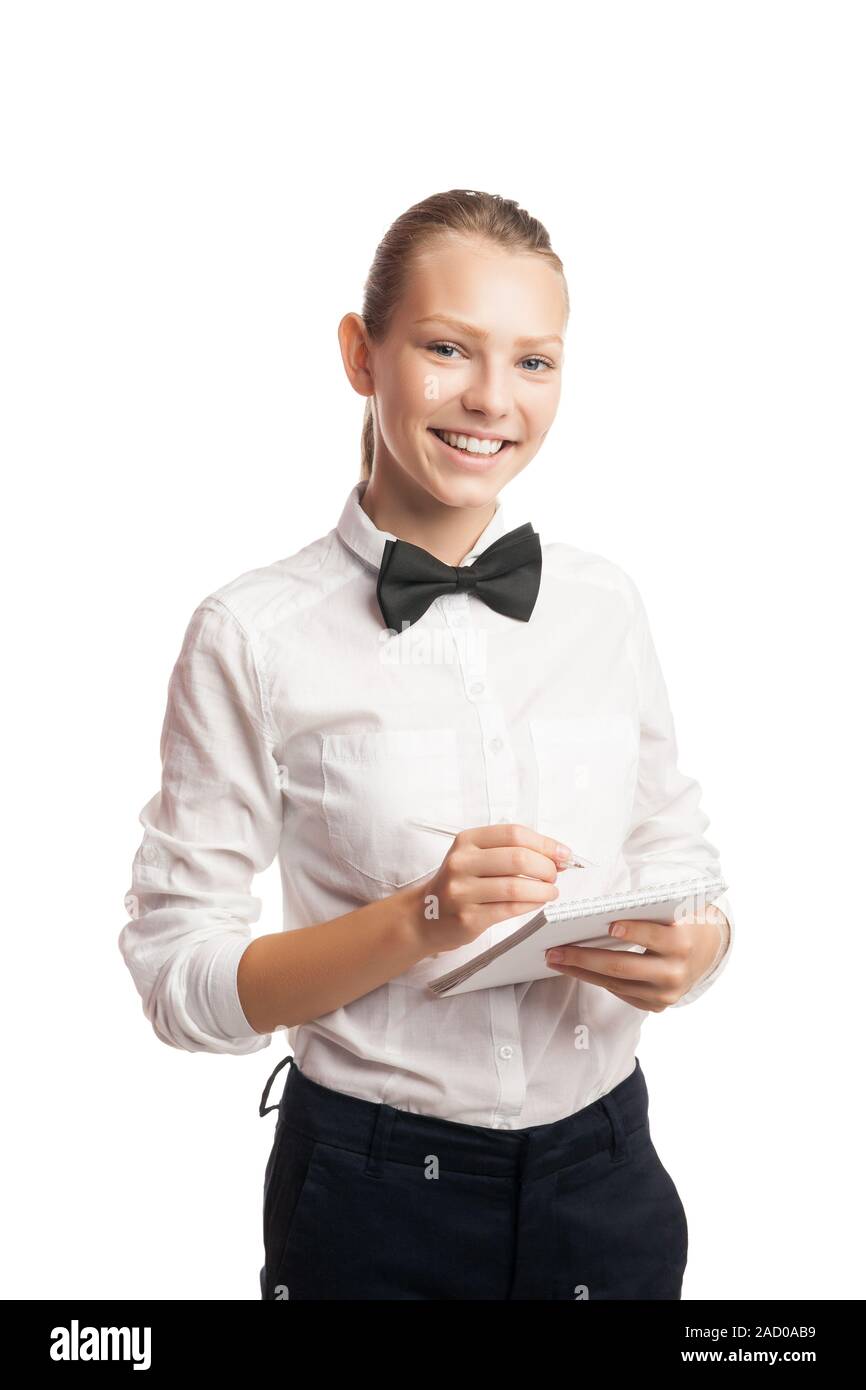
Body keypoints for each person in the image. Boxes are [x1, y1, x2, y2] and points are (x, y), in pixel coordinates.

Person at [119, 188, 734, 1301]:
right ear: (362, 353)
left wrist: (702, 947)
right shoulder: (250, 635)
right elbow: (176, 976)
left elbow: (675, 850)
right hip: (372, 1197)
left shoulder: (605, 605)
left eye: (534, 362)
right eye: (447, 349)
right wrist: (421, 918)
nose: (492, 401)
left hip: (609, 1184)